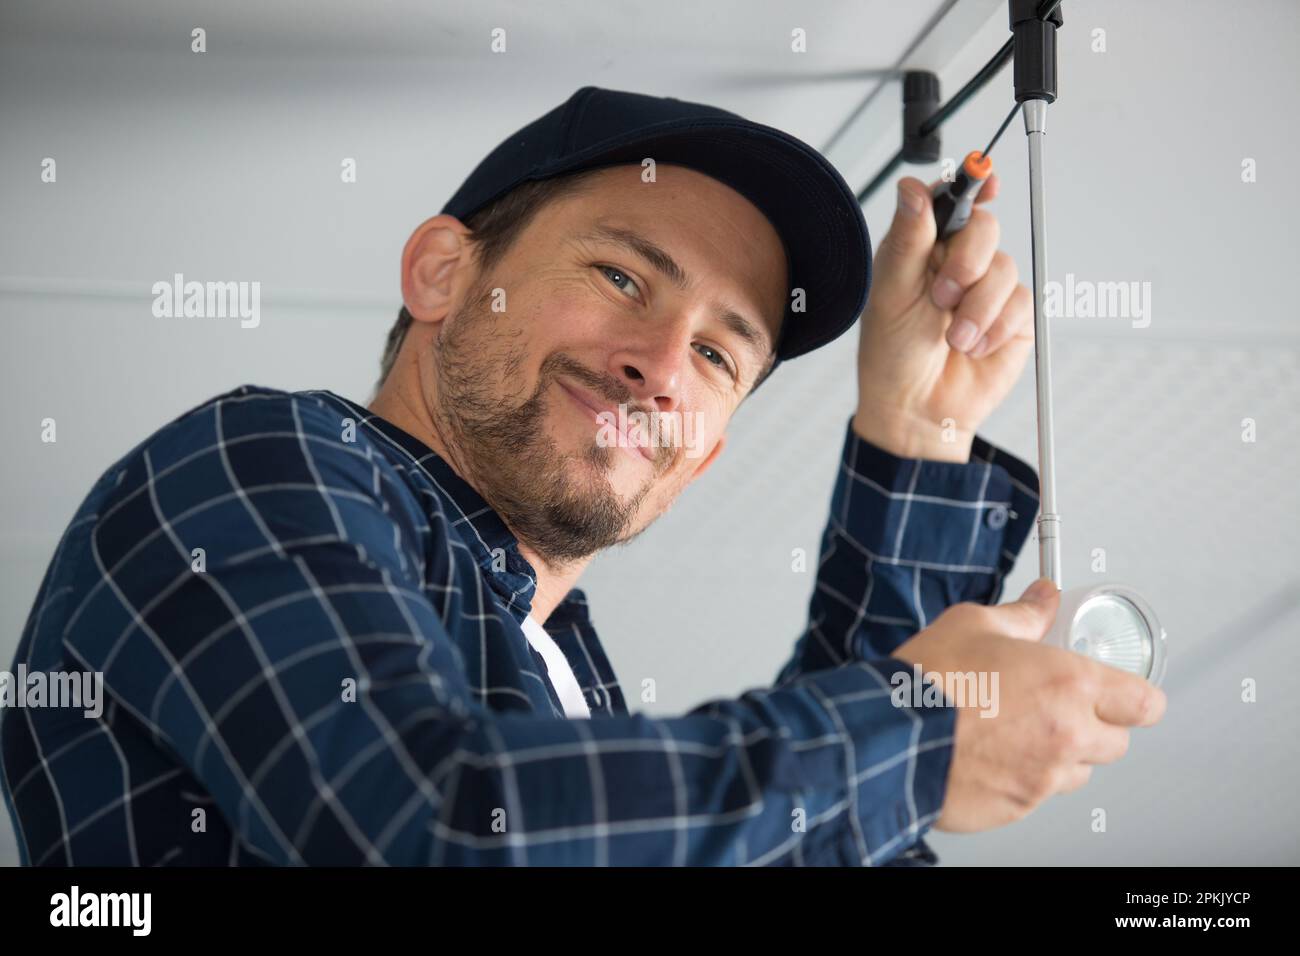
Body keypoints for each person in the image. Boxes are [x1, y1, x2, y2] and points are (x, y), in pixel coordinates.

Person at [0, 86, 1165, 866]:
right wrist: (915, 736)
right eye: (621, 276)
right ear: (443, 272)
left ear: (703, 449)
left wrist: (912, 432)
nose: (660, 365)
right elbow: (414, 821)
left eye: (717, 352)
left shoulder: (571, 681)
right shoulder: (259, 459)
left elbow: (792, 833)